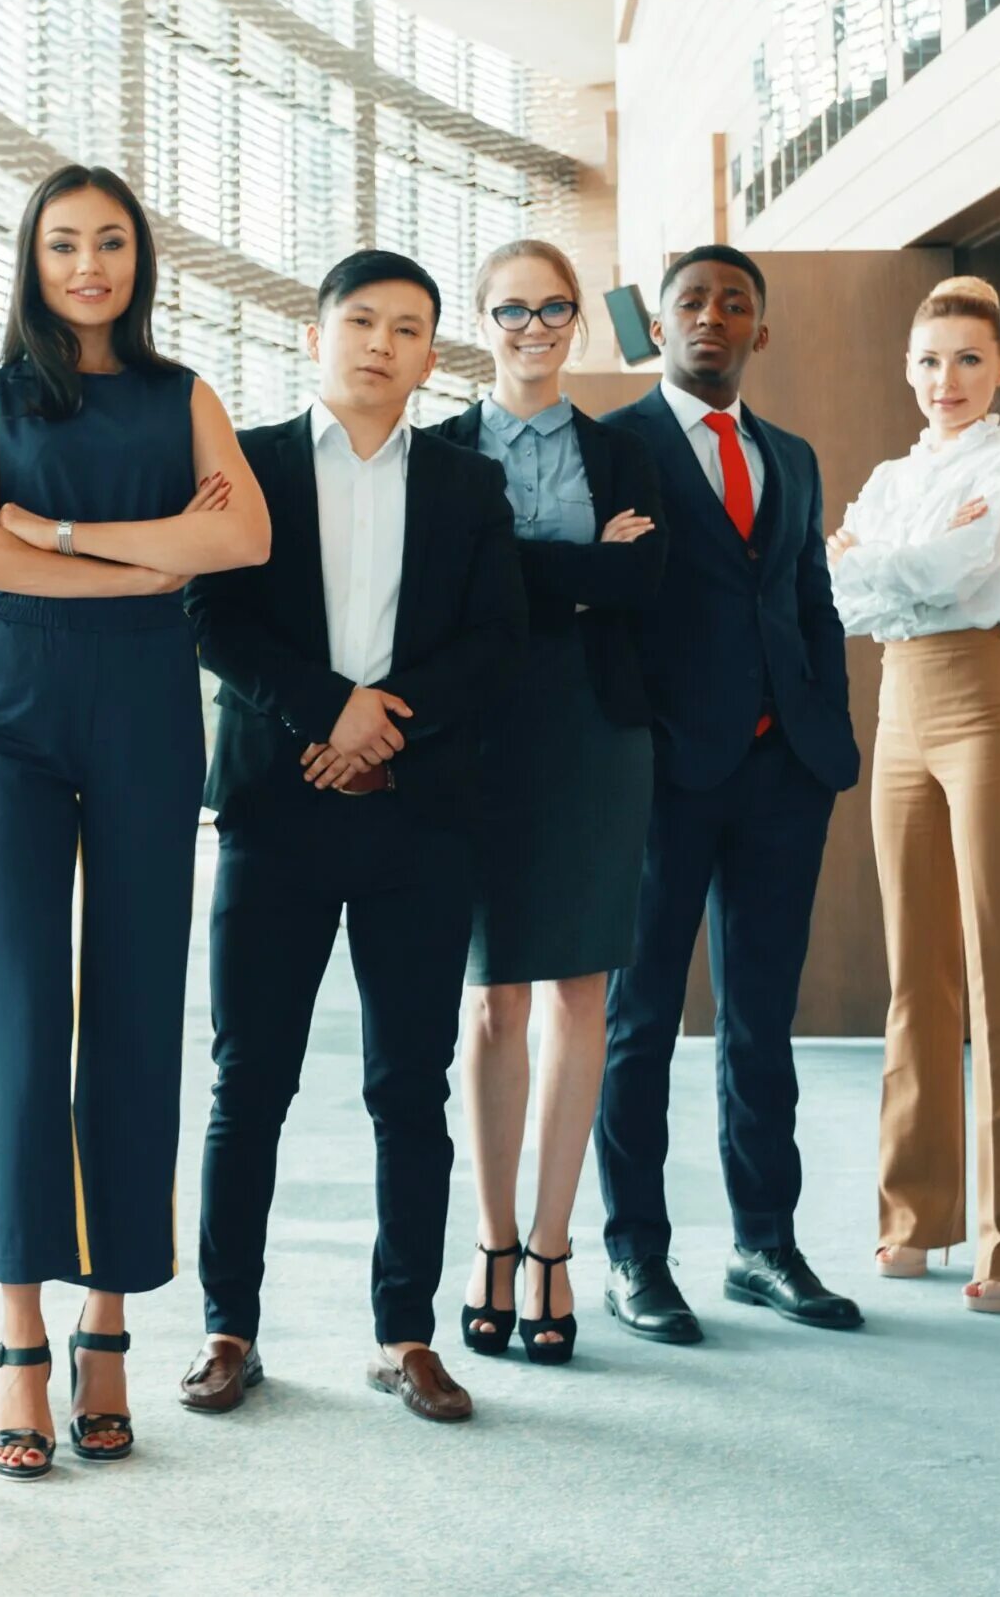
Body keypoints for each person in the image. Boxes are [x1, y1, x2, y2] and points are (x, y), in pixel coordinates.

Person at [0, 164, 268, 1479]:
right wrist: (150, 552)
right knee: (23, 1014)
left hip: (144, 707)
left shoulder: (185, 394)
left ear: (140, 258)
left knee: (136, 1008)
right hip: (11, 710)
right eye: (66, 243)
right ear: (33, 256)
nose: (90, 264)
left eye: (113, 242)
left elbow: (240, 538)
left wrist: (63, 530)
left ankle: (111, 1314)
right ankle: (20, 1322)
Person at [180, 250, 522, 1426]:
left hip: (417, 822)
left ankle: (405, 1333)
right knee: (247, 1082)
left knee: (407, 1088)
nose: (381, 342)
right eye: (360, 320)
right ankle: (229, 1328)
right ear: (317, 335)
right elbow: (209, 613)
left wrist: (385, 731)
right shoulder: (253, 466)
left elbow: (494, 645)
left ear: (433, 356)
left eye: (408, 327)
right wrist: (325, 711)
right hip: (278, 810)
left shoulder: (471, 488)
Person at [594, 244, 865, 1344]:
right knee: (640, 1021)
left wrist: (824, 732)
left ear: (760, 330)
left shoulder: (790, 456)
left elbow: (812, 601)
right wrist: (631, 743)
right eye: (691, 302)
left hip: (780, 776)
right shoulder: (612, 447)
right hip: (660, 776)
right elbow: (597, 614)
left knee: (760, 1021)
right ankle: (635, 1255)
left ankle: (764, 1242)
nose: (712, 317)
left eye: (734, 304)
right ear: (658, 327)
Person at [422, 239, 664, 1365]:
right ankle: (491, 1237)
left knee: (581, 995)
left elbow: (641, 585)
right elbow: (449, 593)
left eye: (552, 307)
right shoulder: (435, 455)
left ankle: (556, 1249)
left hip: (594, 734)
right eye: (510, 309)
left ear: (576, 322)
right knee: (491, 1002)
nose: (532, 326)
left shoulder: (622, 458)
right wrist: (575, 568)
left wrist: (517, 567)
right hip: (476, 736)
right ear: (480, 322)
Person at [829, 274, 1000, 1315]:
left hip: (983, 700)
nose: (946, 379)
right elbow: (838, 589)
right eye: (929, 360)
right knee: (913, 971)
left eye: (968, 358)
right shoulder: (886, 477)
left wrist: (881, 566)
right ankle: (913, 1216)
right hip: (900, 707)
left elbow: (960, 572)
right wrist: (894, 566)